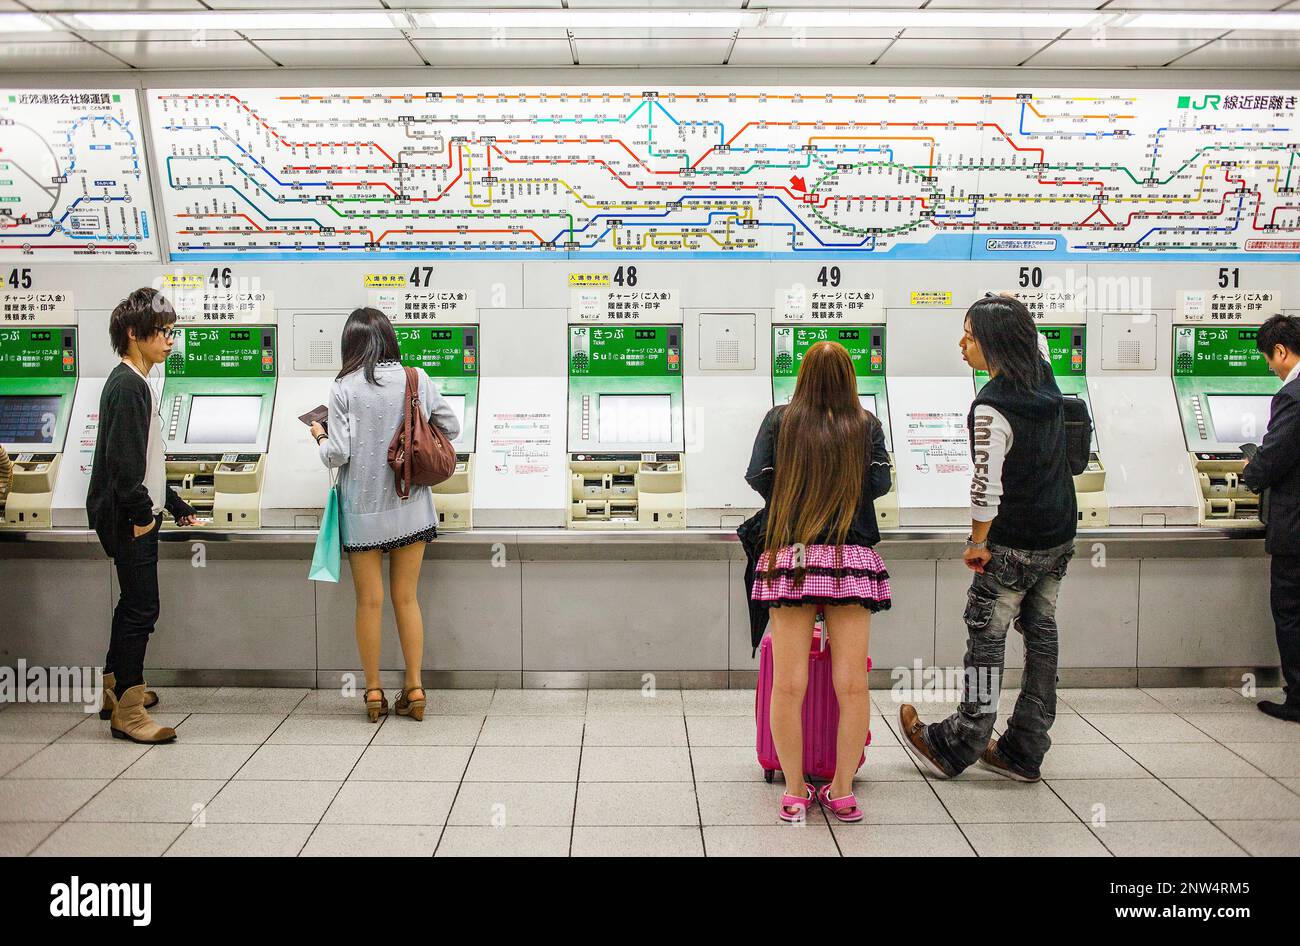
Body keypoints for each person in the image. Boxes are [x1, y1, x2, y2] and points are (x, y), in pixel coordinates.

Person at [899, 294, 1077, 783]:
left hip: (1013, 543)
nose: (962, 344)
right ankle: (1025, 747)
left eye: (970, 336)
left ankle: (960, 741)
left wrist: (978, 542)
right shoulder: (1044, 376)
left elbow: (986, 484)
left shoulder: (992, 404)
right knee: (1042, 638)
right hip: (1058, 535)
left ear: (994, 345)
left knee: (987, 641)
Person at [744, 341, 892, 823]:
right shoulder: (865, 425)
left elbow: (759, 477)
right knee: (852, 684)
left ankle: (793, 791)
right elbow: (879, 485)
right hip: (850, 558)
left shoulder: (778, 420)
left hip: (793, 555)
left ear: (802, 376)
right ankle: (842, 790)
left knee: (788, 684)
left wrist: (801, 494)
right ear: (850, 378)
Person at [313, 307, 460, 722]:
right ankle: (414, 690)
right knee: (406, 598)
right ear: (389, 339)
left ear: (351, 345)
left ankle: (374, 692)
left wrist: (319, 434)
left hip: (362, 510)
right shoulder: (416, 378)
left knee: (369, 602)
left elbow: (336, 454)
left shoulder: (343, 387)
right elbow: (450, 427)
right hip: (410, 504)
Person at [86, 288, 198, 744]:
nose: (170, 341)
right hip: (128, 515)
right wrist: (142, 516)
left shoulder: (131, 380)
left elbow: (144, 458)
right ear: (134, 334)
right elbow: (122, 463)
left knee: (130, 603)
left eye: (172, 332)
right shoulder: (130, 386)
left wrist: (173, 503)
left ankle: (116, 687)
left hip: (129, 510)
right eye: (162, 333)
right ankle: (129, 713)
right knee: (142, 608)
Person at [1242, 313, 1300, 723]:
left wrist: (1250, 472)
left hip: (1296, 528)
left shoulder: (1293, 395)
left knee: (1292, 609)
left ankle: (1298, 697)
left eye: (1268, 357)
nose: (1268, 366)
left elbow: (1275, 454)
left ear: (1281, 350)